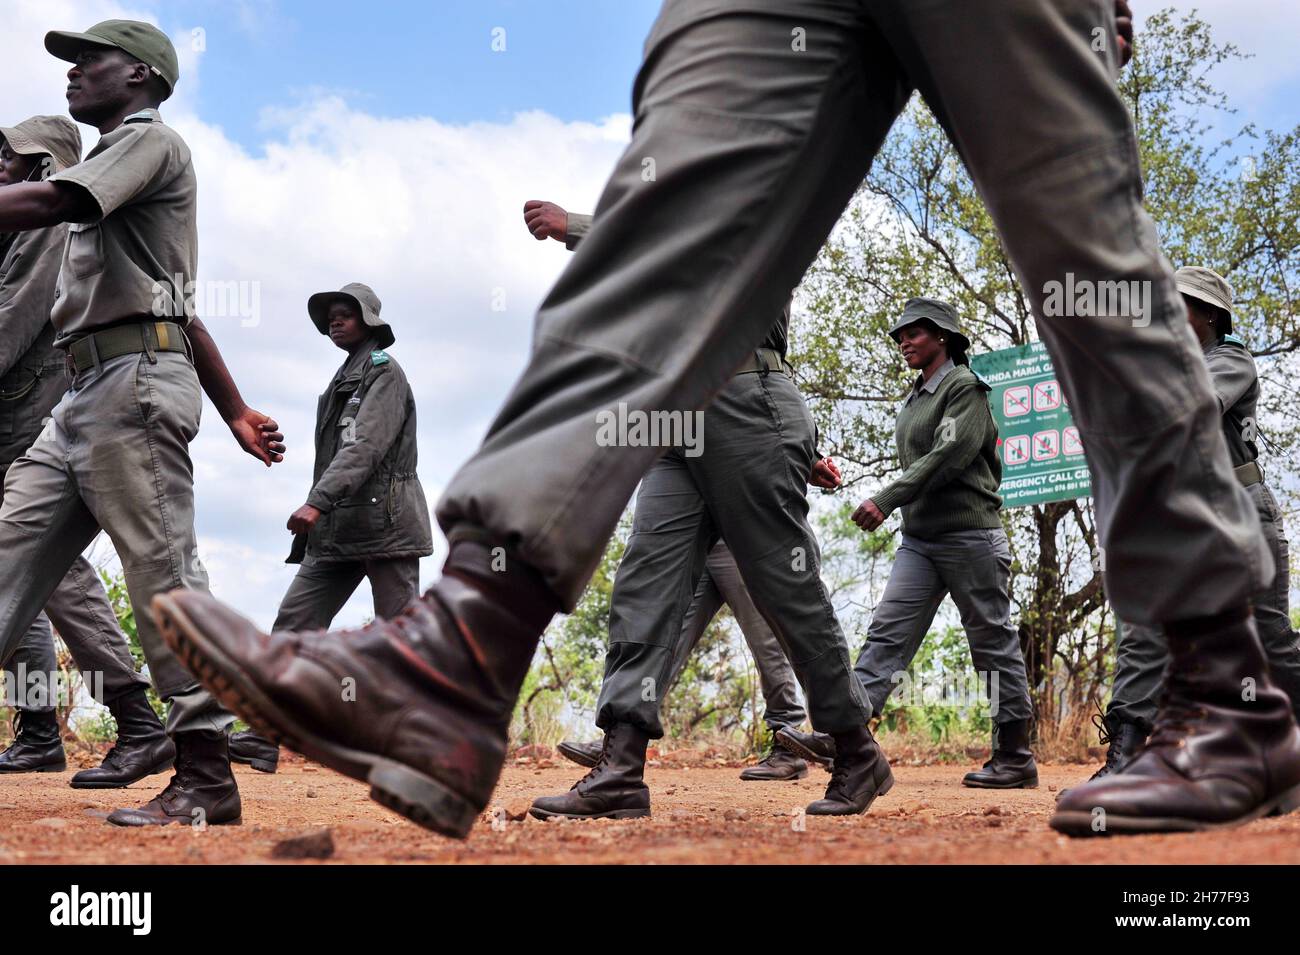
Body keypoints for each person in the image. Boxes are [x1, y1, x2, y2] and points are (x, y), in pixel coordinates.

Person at [157, 0, 1300, 839]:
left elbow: (887, 388)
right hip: (683, 412)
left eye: (919, 334)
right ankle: (462, 656)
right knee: (662, 218)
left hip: (749, 408)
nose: (908, 344)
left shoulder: (952, 392)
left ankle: (1217, 685)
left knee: (1080, 264)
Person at [0, 19, 285, 827]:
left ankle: (205, 772)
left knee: (160, 575)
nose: (72, 73)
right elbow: (184, 307)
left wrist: (223, 408)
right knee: (10, 554)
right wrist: (236, 411)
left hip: (133, 388)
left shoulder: (151, 144)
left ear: (141, 74)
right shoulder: (106, 170)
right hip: (82, 396)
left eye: (88, 60)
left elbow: (53, 200)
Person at [528, 201, 825, 782]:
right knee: (661, 622)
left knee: (772, 625)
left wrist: (582, 230)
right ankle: (622, 740)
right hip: (692, 487)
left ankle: (800, 736)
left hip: (735, 519)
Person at [1063, 267, 1300, 791]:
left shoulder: (1229, 359)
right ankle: (1125, 751)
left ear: (1210, 315)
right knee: (1145, 630)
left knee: (1272, 643)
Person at [0, 114, 174, 788]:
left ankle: (135, 716)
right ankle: (41, 729)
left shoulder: (46, 229)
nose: (2, 168)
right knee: (26, 578)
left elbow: (9, 331)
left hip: (31, 420)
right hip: (22, 419)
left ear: (46, 166)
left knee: (57, 576)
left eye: (12, 159)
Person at [823, 299, 1037, 789]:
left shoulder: (964, 387)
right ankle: (847, 735)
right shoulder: (916, 395)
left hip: (971, 537)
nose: (903, 342)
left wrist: (888, 497)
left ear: (943, 336)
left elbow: (951, 454)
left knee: (992, 644)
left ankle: (1015, 756)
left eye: (913, 333)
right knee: (887, 635)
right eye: (899, 335)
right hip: (920, 541)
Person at [229, 283, 432, 774]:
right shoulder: (343, 379)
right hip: (338, 530)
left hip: (386, 526)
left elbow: (363, 448)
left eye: (347, 314)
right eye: (332, 317)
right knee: (293, 626)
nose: (337, 322)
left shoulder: (384, 374)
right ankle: (263, 735)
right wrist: (322, 512)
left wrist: (315, 503)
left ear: (369, 321)